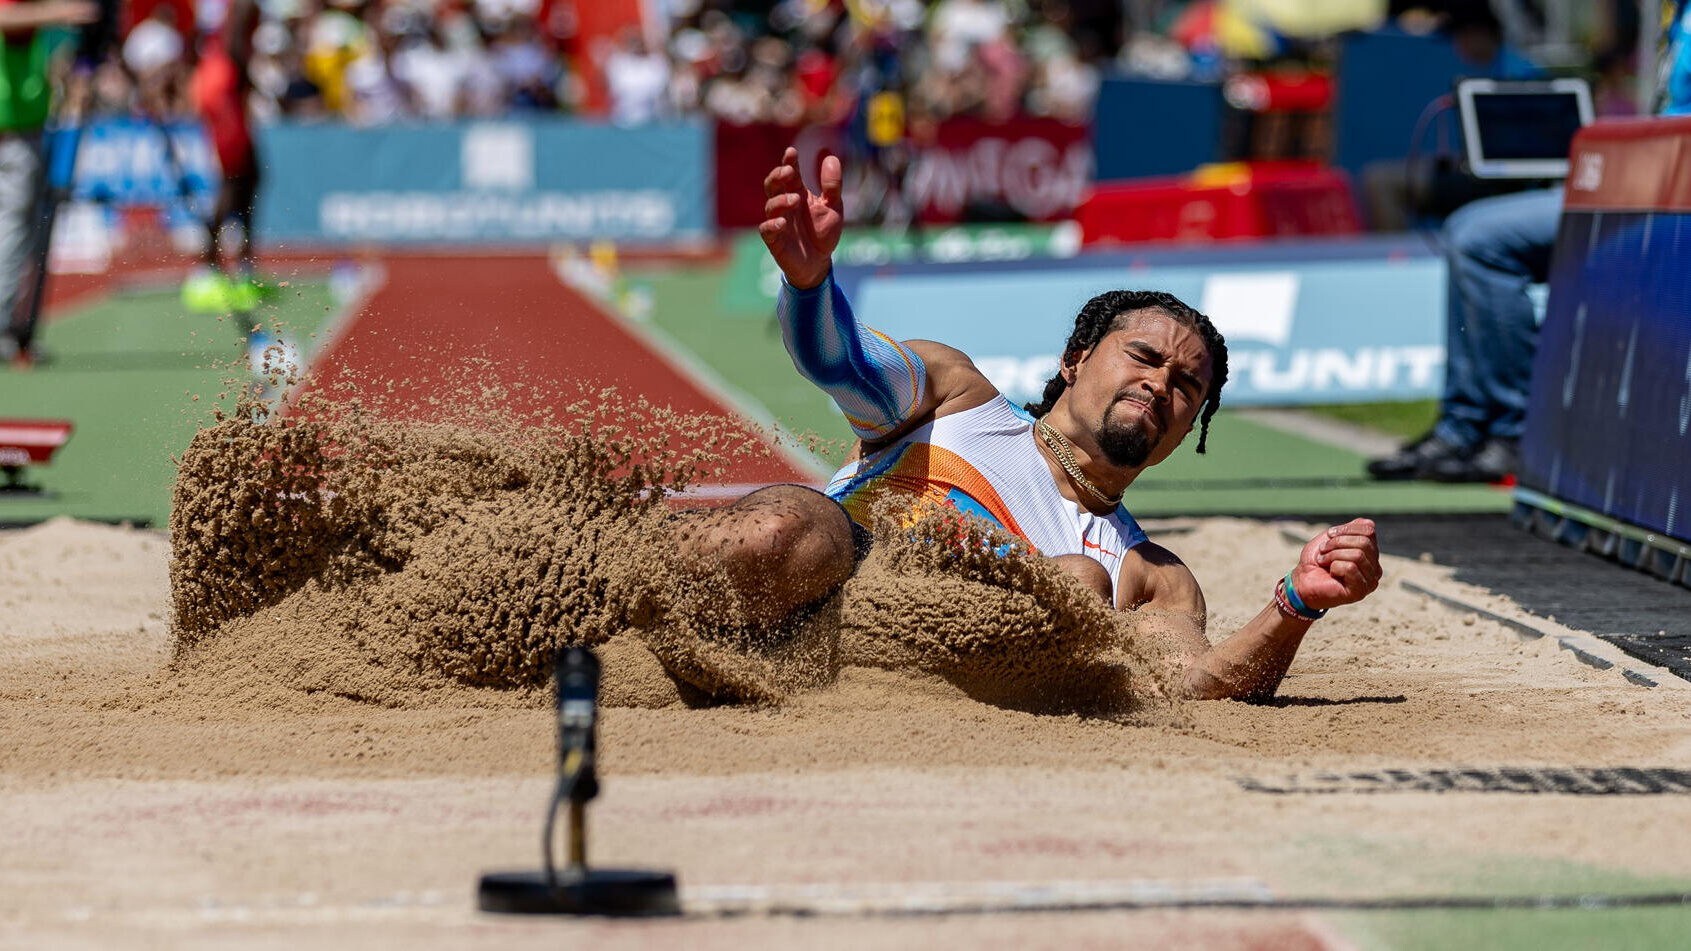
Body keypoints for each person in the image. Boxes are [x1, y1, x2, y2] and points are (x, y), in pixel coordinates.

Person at [667, 147, 1382, 702]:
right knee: (788, 524)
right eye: (1142, 356)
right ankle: (637, 606)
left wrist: (1293, 603)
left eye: (1186, 385)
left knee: (1076, 581)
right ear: (1073, 360)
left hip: (886, 665)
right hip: (809, 577)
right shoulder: (954, 397)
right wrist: (808, 285)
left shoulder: (1151, 577)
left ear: (1190, 423)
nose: (1159, 383)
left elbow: (1198, 683)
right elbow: (840, 365)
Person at [1368, 1, 1691, 483]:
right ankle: (1463, 428)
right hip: (1646, 179)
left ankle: (1515, 432)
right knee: (1468, 228)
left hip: (1667, 196)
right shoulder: (1671, 13)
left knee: (1481, 238)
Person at [0, 0, 96, 368]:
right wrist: (61, 11)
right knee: (12, 229)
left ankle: (10, 326)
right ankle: (5, 328)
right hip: (12, 135)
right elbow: (7, 19)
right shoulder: (28, 9)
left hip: (27, 131)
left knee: (19, 230)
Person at [181, 0, 271, 324]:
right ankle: (211, 268)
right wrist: (248, 82)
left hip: (220, 83)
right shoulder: (244, 6)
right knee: (237, 179)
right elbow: (234, 43)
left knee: (246, 177)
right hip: (224, 87)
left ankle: (240, 268)